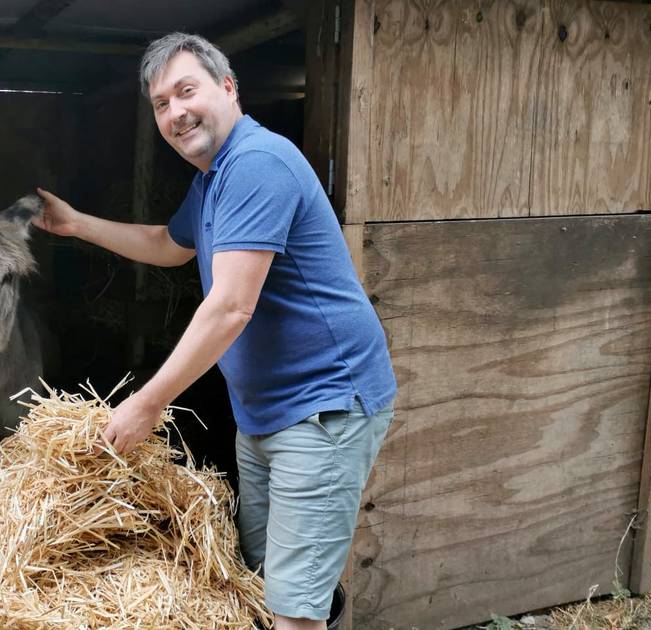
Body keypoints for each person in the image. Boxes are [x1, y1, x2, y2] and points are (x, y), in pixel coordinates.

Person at [34, 32, 396, 629]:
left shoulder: (257, 164)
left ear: (228, 88)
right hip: (265, 412)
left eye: (187, 91)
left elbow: (230, 307)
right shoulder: (213, 180)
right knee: (260, 579)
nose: (175, 112)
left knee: (293, 608)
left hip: (323, 406)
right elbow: (168, 244)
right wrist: (77, 225)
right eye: (161, 104)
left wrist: (147, 403)